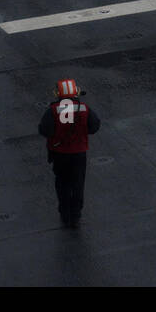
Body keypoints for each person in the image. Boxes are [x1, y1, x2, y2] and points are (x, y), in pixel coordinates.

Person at [37, 79, 101, 229]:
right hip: (78, 154)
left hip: (59, 153)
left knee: (62, 183)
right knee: (78, 183)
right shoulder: (84, 108)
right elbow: (94, 127)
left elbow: (45, 130)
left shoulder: (53, 110)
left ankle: (64, 213)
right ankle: (76, 214)